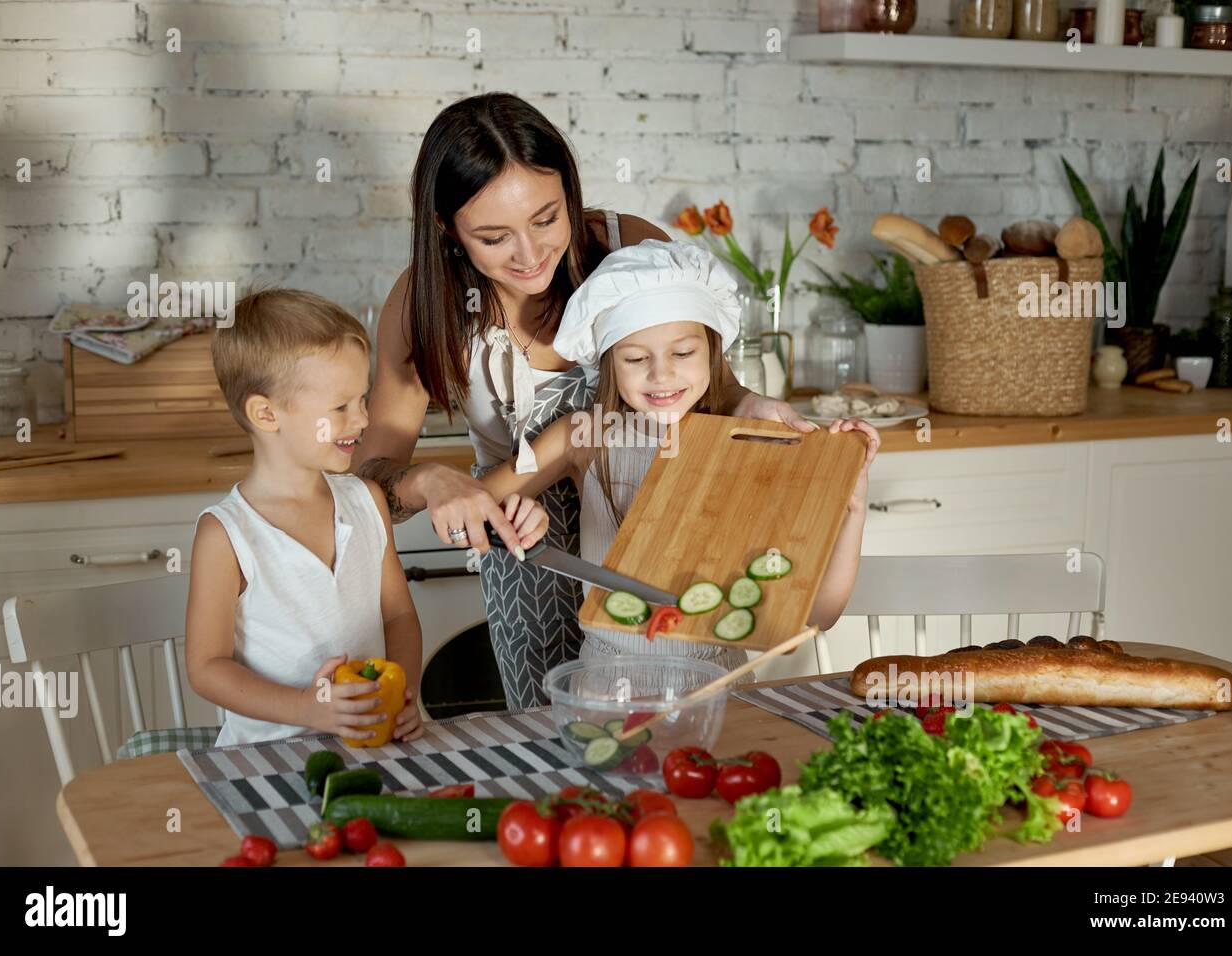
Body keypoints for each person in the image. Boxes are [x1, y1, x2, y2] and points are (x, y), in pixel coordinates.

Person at [354, 92, 824, 708]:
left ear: (569, 194)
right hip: (521, 536)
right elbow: (368, 483)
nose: (530, 255)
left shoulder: (631, 246)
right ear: (446, 227)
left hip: (655, 517)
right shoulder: (426, 303)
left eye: (547, 219)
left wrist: (752, 404)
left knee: (694, 714)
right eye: (494, 237)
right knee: (558, 737)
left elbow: (717, 384)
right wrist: (430, 484)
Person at [479, 240, 881, 669]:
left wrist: (852, 506)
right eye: (635, 358)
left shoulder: (749, 447)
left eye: (683, 353)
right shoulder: (583, 436)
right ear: (609, 363)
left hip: (718, 689)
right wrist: (517, 515)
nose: (661, 374)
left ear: (712, 351)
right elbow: (472, 510)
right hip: (607, 686)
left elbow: (819, 614)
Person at [184, 288, 550, 746]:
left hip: (372, 743)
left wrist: (405, 695)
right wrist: (305, 708)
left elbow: (398, 617)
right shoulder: (226, 534)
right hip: (268, 759)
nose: (362, 419)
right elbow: (207, 668)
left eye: (363, 399)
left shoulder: (366, 500)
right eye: (340, 407)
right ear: (266, 413)